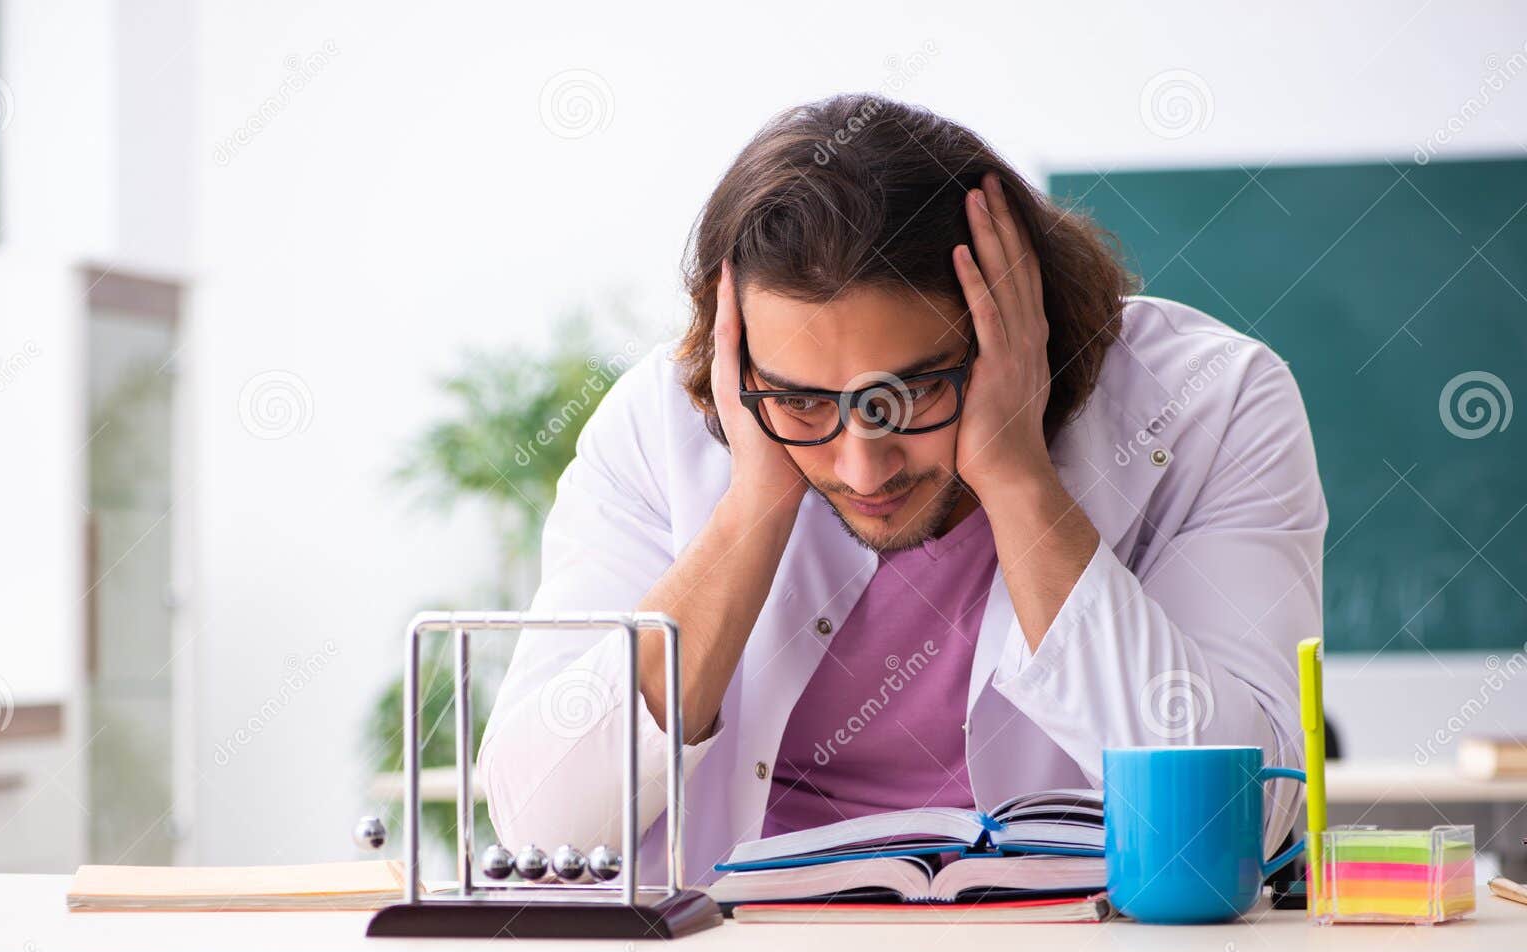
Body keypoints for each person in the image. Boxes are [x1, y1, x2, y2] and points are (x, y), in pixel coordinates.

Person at [478, 93, 1326, 883]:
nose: (862, 467)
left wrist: (1019, 478)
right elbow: (543, 827)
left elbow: (1232, 825)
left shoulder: (1211, 402)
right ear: (738, 361)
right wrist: (754, 506)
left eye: (913, 393)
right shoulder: (658, 429)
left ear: (1020, 329)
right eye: (805, 398)